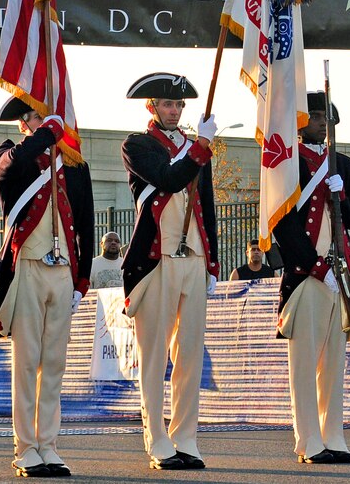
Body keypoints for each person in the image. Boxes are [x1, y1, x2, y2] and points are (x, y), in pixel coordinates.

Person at [0, 95, 95, 477]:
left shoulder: (73, 163)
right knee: (27, 360)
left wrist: (82, 280)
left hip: (63, 268)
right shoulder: (8, 153)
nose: (47, 122)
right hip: (28, 266)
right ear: (23, 124)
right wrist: (46, 133)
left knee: (54, 363)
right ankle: (25, 448)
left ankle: (49, 444)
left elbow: (85, 222)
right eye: (36, 116)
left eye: (50, 116)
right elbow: (8, 169)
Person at [120, 72, 219, 471]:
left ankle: (185, 438)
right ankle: (157, 439)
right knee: (155, 352)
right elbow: (166, 177)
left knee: (190, 354)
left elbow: (207, 206)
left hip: (193, 256)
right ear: (151, 107)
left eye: (178, 105)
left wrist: (213, 262)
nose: (174, 111)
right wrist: (201, 146)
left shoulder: (197, 147)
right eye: (167, 104)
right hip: (157, 258)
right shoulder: (137, 145)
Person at [273, 91, 350, 466]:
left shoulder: (342, 162)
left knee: (334, 363)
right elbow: (281, 221)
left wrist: (342, 196)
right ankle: (308, 439)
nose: (321, 123)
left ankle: (334, 434)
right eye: (314, 116)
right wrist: (313, 265)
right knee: (304, 361)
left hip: (342, 272)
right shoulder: (287, 162)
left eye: (325, 118)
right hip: (308, 273)